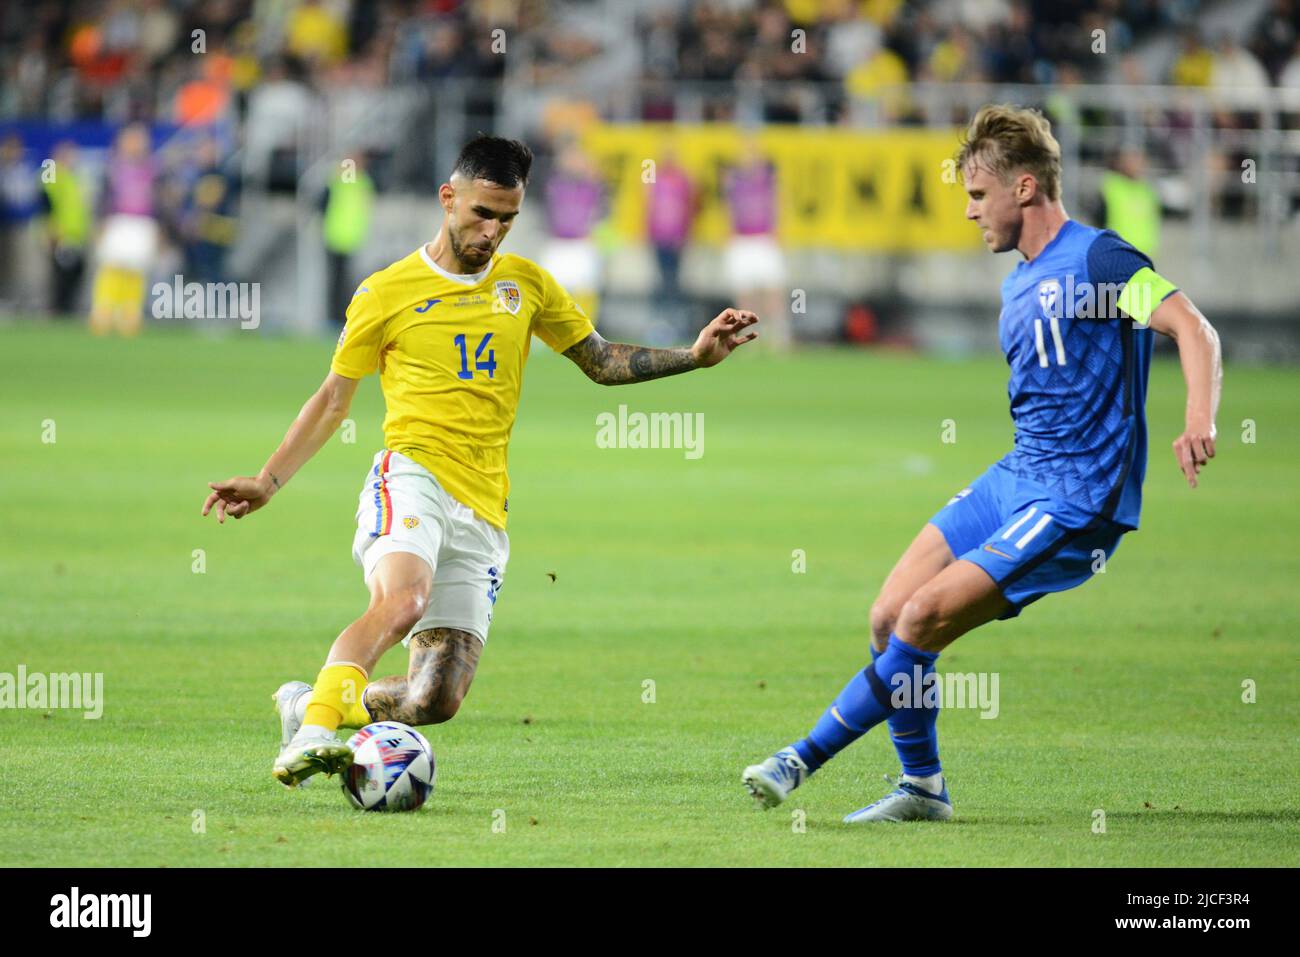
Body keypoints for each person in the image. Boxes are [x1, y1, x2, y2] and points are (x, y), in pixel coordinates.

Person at [200, 136, 759, 787]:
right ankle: (315, 734)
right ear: (449, 197)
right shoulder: (386, 292)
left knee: (434, 697)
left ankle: (308, 702)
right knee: (402, 600)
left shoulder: (527, 285)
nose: (492, 231)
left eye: (507, 218)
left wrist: (692, 356)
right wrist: (268, 481)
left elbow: (601, 362)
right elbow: (332, 400)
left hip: (485, 504)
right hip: (411, 476)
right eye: (482, 213)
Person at [742, 105, 1222, 823]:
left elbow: (1191, 324)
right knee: (886, 618)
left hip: (1077, 496)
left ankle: (798, 757)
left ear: (1023, 188)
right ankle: (923, 788)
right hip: (1017, 475)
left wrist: (1197, 418)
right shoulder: (1017, 281)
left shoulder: (1101, 259)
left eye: (975, 194)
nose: (968, 212)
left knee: (922, 615)